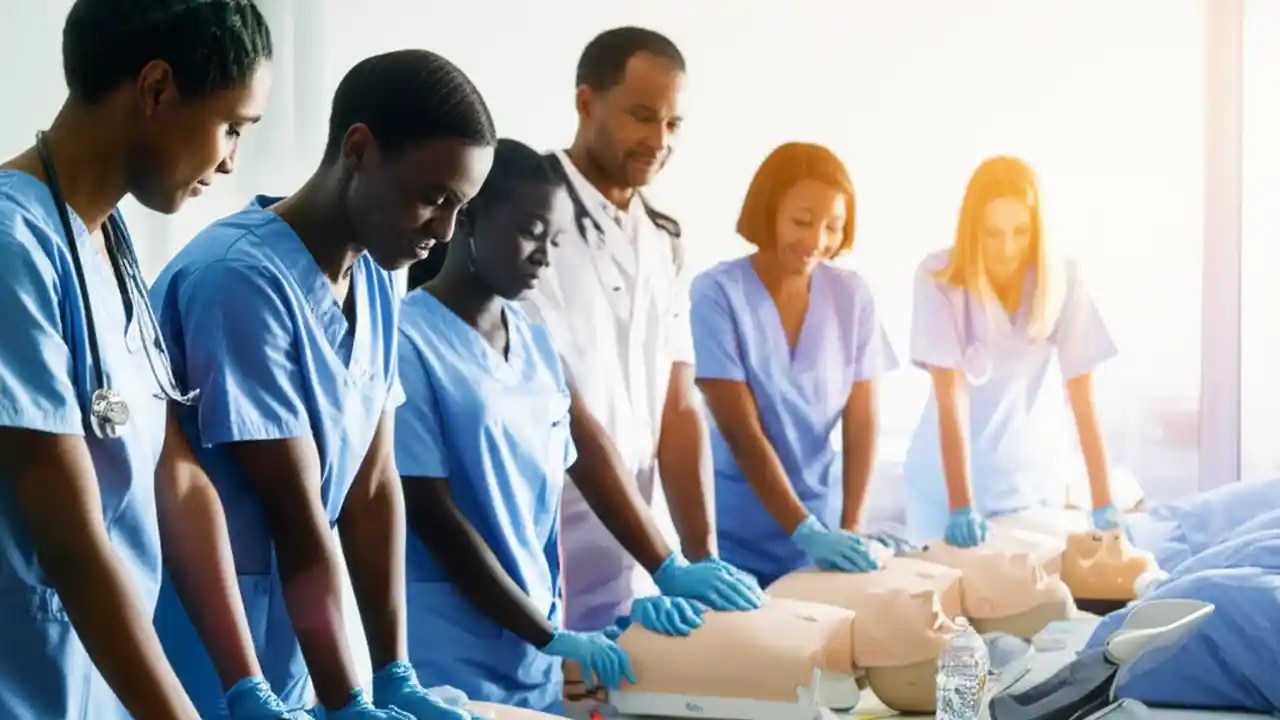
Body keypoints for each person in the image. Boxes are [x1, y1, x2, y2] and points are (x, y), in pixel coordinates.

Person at [149, 50, 495, 719]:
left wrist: (395, 674)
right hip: (211, 655)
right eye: (434, 198)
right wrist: (347, 703)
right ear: (359, 149)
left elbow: (373, 484)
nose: (445, 233)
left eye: (460, 208)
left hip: (299, 652)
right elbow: (296, 509)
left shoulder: (375, 278)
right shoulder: (239, 278)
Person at [0, 1, 272, 717]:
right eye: (232, 127)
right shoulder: (12, 245)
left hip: (95, 691)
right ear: (156, 90)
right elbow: (73, 540)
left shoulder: (110, 241)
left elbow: (166, 470)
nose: (231, 160)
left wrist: (246, 684)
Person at [396, 139, 708, 714]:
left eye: (554, 240)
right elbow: (435, 518)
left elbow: (587, 463)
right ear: (467, 219)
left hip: (532, 651)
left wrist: (668, 567)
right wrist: (548, 635)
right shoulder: (406, 340)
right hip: (446, 651)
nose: (543, 254)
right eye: (530, 231)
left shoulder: (536, 344)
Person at [519, 26, 763, 636]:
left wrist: (700, 556)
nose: (658, 140)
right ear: (585, 103)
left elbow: (678, 408)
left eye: (673, 124)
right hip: (544, 543)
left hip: (632, 555)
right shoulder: (524, 218)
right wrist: (666, 559)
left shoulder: (664, 239)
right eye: (641, 116)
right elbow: (560, 403)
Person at [691, 143, 899, 586]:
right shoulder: (716, 294)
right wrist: (802, 530)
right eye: (802, 221)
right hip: (737, 537)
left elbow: (861, 422)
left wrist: (849, 528)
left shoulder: (852, 296)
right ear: (769, 210)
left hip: (825, 530)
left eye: (833, 227)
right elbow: (742, 432)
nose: (816, 242)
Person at [902, 155, 1121, 547]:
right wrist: (960, 506)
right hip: (945, 485)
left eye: (1020, 231)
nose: (1007, 248)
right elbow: (950, 396)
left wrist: (1104, 502)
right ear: (972, 230)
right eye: (992, 233)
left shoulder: (1064, 280)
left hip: (1030, 481)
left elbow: (1082, 398)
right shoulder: (939, 278)